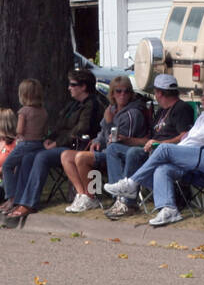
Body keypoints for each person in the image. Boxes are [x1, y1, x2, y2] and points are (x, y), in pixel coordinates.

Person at [104, 78, 204, 227]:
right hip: (200, 155)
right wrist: (179, 147)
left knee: (163, 148)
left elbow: (197, 139)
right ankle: (169, 209)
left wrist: (175, 149)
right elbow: (189, 137)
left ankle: (131, 183)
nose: (202, 98)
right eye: (202, 94)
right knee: (163, 169)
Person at [3, 67, 104, 226]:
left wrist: (57, 143)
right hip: (61, 144)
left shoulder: (91, 105)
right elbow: (59, 127)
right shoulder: (73, 105)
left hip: (77, 147)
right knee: (28, 157)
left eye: (72, 84)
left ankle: (29, 203)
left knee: (41, 157)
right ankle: (19, 199)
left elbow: (82, 129)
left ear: (83, 86)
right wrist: (49, 139)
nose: (69, 88)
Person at [105, 73, 195, 220]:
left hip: (166, 153)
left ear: (159, 92)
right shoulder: (161, 111)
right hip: (150, 150)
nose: (155, 95)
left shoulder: (181, 108)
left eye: (155, 91)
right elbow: (148, 140)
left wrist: (160, 144)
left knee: (134, 153)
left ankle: (128, 202)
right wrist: (126, 139)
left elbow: (185, 137)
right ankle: (119, 198)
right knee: (113, 148)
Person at [63, 75, 149, 213]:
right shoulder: (111, 109)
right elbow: (103, 134)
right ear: (112, 94)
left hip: (122, 154)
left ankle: (93, 197)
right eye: (118, 91)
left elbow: (116, 141)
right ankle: (83, 194)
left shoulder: (133, 113)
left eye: (126, 91)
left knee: (82, 158)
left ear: (131, 93)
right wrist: (97, 141)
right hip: (106, 151)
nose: (122, 94)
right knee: (66, 156)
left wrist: (109, 122)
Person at [0, 79, 48, 213]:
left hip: (26, 143)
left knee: (7, 166)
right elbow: (44, 130)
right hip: (38, 143)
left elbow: (20, 130)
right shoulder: (43, 111)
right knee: (21, 166)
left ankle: (11, 196)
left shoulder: (24, 111)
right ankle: (19, 197)